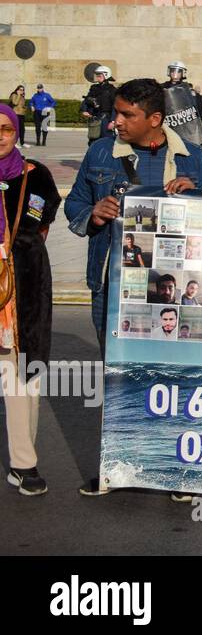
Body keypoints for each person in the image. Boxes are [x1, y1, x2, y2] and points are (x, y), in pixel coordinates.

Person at [64, 79, 202, 496]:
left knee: (173, 379)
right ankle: (118, 469)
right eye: (115, 113)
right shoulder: (100, 152)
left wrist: (199, 194)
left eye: (126, 115)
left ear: (154, 119)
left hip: (169, 291)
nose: (115, 121)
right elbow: (75, 202)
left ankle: (176, 472)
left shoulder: (191, 155)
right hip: (111, 286)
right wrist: (94, 213)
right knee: (119, 380)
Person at [0, 102, 60, 495]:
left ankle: (24, 463)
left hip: (18, 285)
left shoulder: (33, 176)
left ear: (16, 131)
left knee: (20, 374)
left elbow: (39, 225)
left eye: (4, 129)